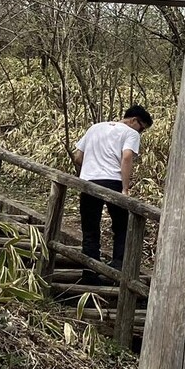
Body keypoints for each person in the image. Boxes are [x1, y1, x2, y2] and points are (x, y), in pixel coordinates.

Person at [73, 105, 153, 283]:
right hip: (112, 182)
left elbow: (78, 157)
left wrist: (87, 171)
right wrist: (125, 188)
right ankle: (117, 268)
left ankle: (89, 273)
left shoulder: (95, 128)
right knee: (122, 226)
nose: (141, 133)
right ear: (134, 120)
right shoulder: (130, 133)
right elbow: (126, 157)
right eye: (142, 128)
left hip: (88, 181)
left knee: (90, 229)